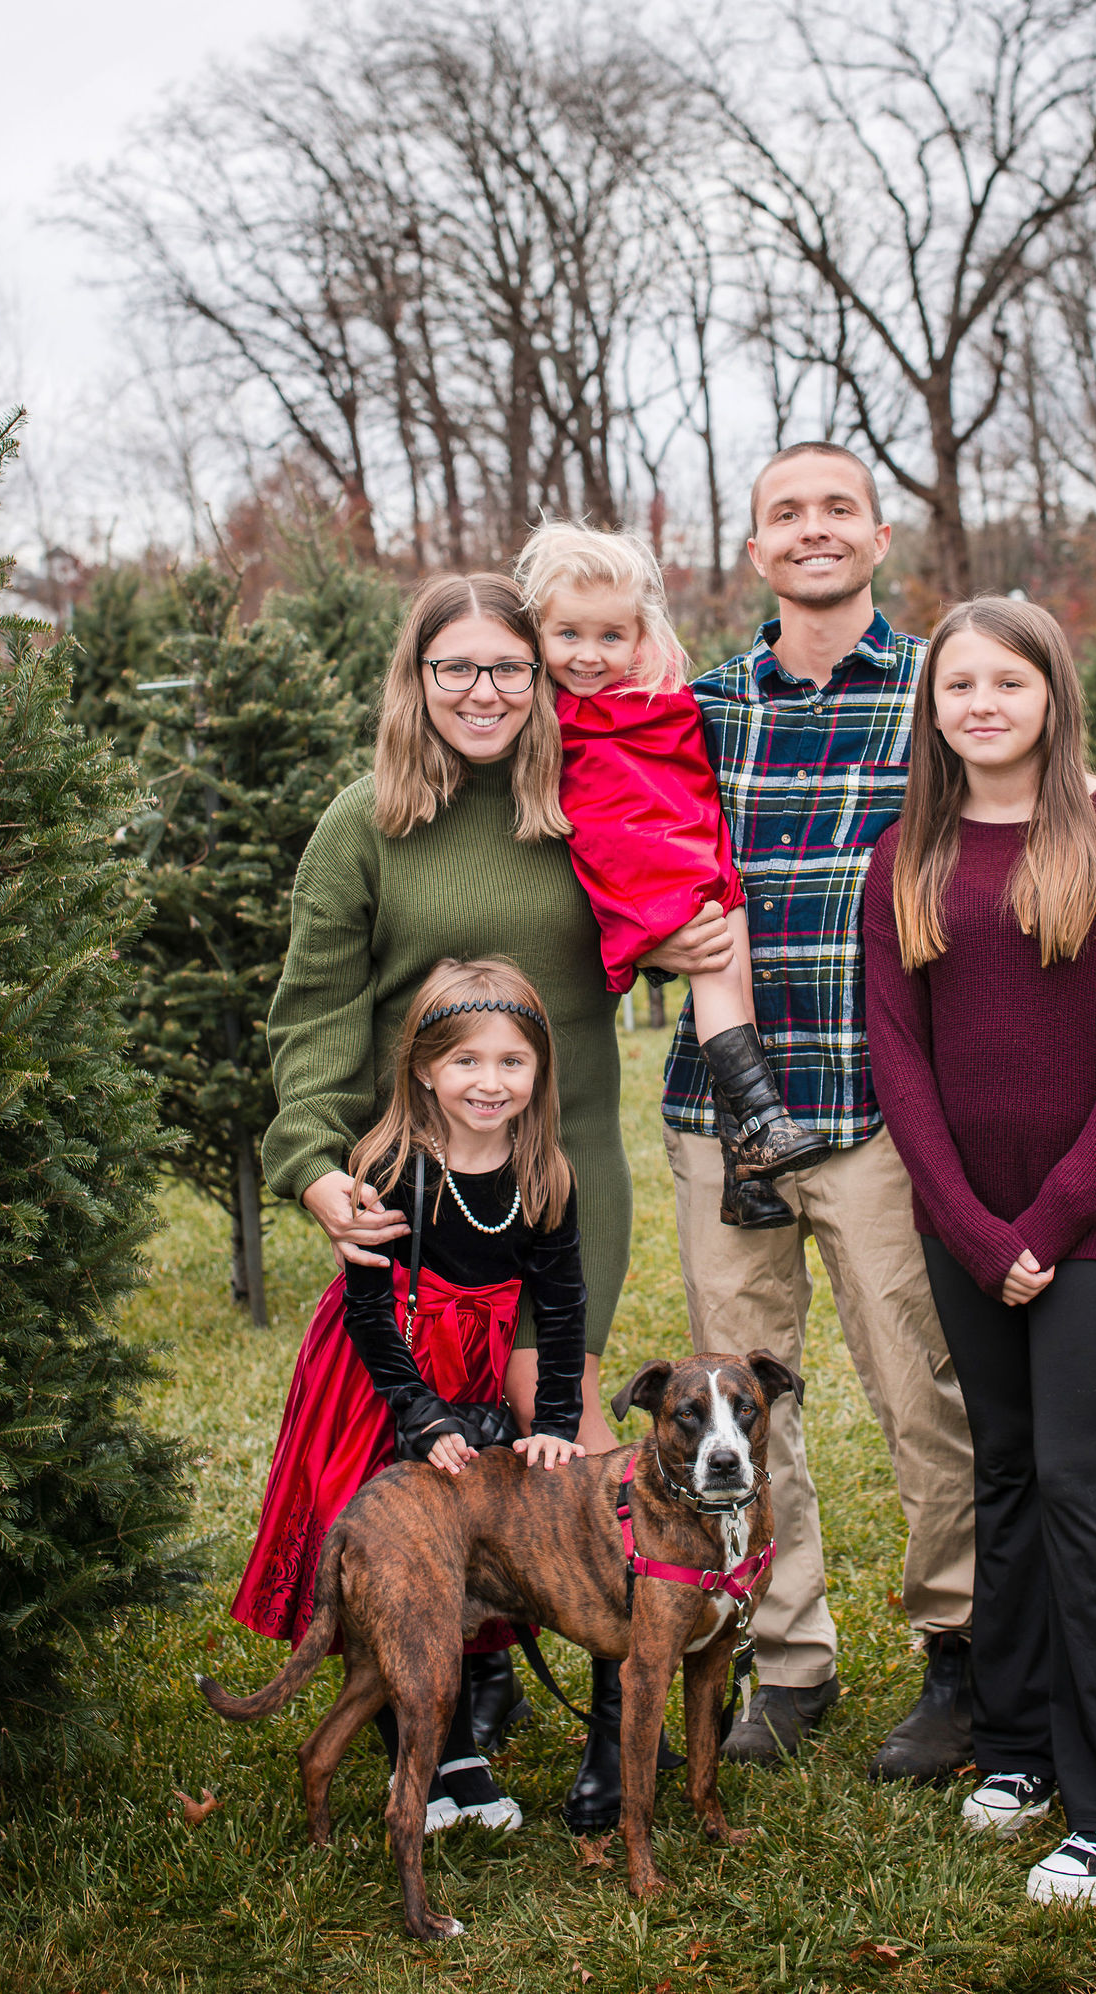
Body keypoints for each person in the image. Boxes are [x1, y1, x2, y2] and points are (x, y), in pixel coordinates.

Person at [646, 442, 1096, 1781]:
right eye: (783, 513)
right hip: (715, 1110)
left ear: (878, 533)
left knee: (928, 1396)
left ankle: (967, 1651)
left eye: (836, 509)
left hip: (881, 1114)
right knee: (739, 1398)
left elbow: (1077, 824)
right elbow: (623, 838)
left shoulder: (940, 690)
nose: (812, 531)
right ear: (752, 547)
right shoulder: (703, 709)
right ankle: (781, 1654)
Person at [261, 572, 632, 1817]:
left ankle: (613, 1713)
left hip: (563, 1174)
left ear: (541, 684)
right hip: (424, 1187)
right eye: (455, 667)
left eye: (508, 668)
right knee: (443, 1458)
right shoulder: (361, 823)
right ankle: (452, 1700)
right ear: (414, 681)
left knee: (560, 1436)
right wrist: (316, 1166)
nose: (483, 691)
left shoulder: (583, 806)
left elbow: (690, 880)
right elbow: (309, 1021)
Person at [863, 595, 1096, 1904]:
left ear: (1052, 694)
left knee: (1075, 1475)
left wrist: (1052, 1222)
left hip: (1094, 1218)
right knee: (1000, 1468)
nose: (985, 704)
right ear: (935, 707)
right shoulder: (908, 852)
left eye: (1011, 681)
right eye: (961, 685)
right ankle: (1017, 1740)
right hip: (966, 1221)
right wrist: (970, 1226)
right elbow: (900, 1060)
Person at [235, 956, 586, 1834]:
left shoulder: (543, 1175)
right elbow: (367, 1309)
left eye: (512, 1062)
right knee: (395, 1562)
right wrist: (418, 1414)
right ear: (425, 1067)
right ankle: (418, 1762)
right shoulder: (391, 1165)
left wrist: (551, 1423)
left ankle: (459, 1747)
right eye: (467, 1060)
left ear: (539, 1070)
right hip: (379, 1379)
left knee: (459, 1555)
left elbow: (563, 1305)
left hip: (473, 1379)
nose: (490, 1082)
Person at [513, 519, 827, 1227]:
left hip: (691, 846)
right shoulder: (547, 710)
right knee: (718, 969)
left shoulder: (652, 690)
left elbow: (675, 757)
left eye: (610, 638)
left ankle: (745, 1176)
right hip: (641, 860)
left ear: (639, 634)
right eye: (568, 636)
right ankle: (762, 1117)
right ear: (538, 633)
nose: (590, 656)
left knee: (734, 970)